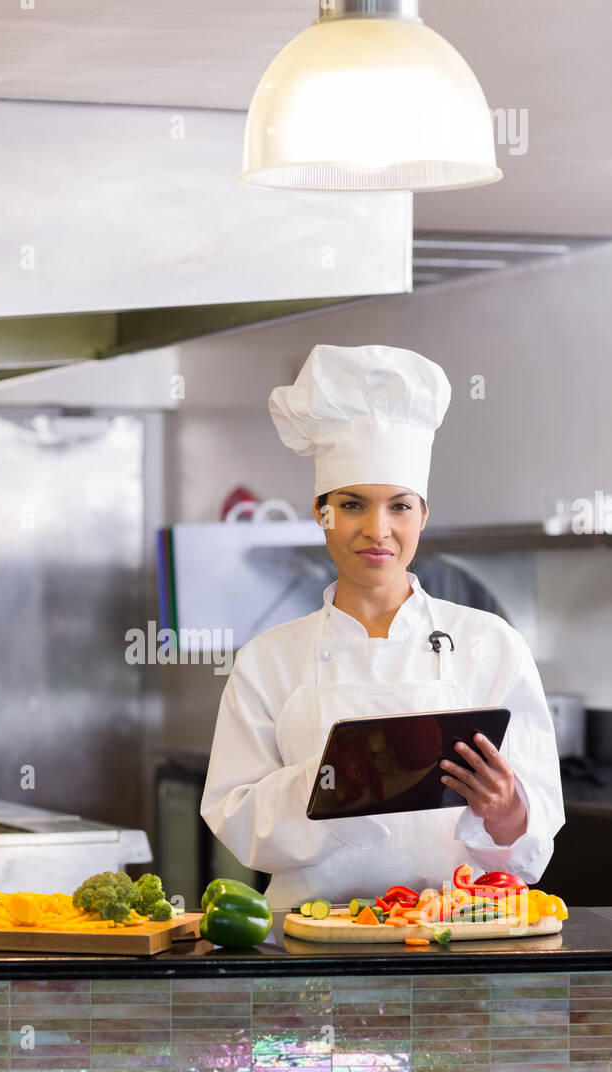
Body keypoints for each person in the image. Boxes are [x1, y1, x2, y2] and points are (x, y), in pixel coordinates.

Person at [200, 343, 565, 910]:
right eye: (351, 505)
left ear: (423, 516)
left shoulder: (491, 646)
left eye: (399, 506)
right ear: (321, 513)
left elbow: (530, 850)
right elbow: (236, 820)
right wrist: (329, 788)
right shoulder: (267, 660)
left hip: (457, 944)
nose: (378, 529)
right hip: (307, 951)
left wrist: (507, 808)